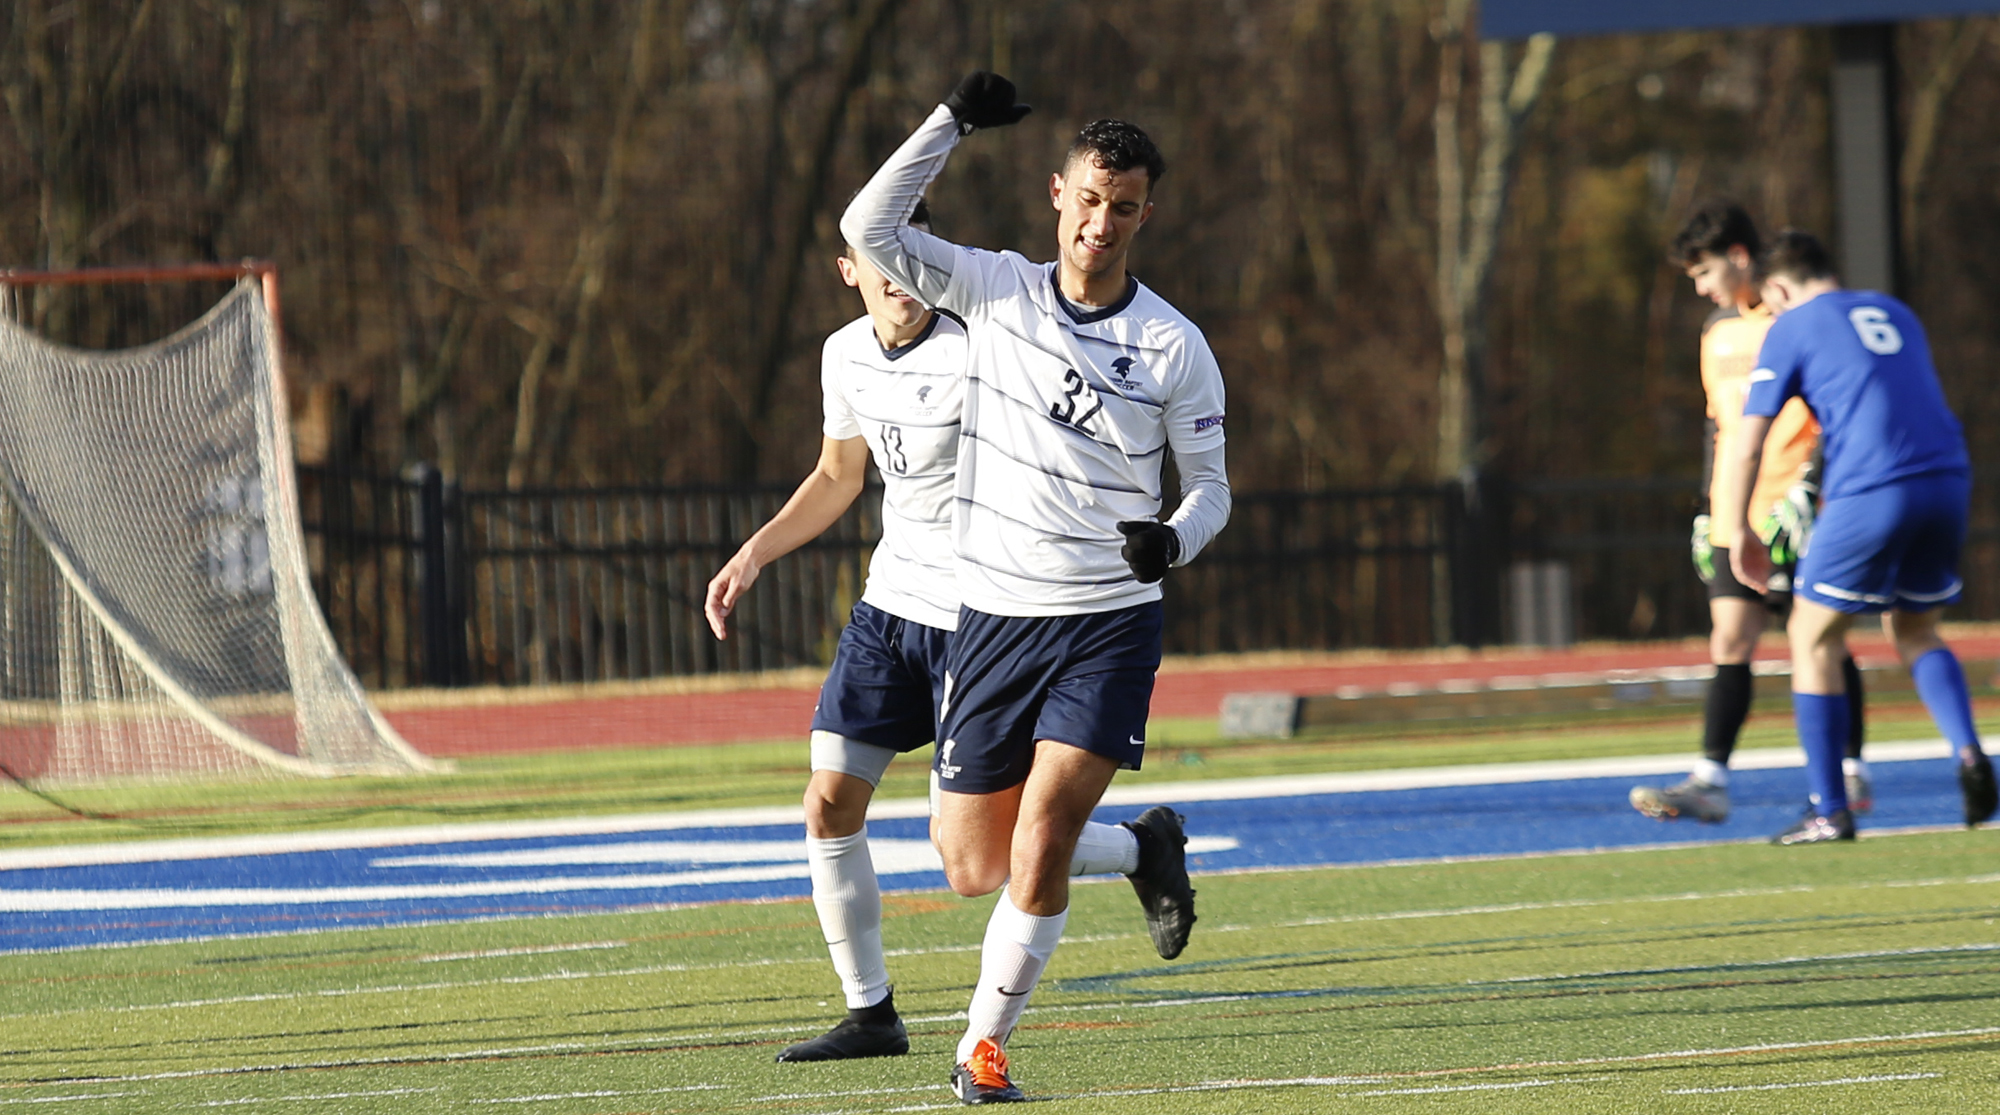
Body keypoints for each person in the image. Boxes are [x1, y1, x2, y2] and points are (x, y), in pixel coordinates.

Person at [704, 200, 1176, 1064]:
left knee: (978, 864)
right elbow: (838, 473)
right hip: (889, 614)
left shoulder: (986, 346)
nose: (898, 276)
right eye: (876, 259)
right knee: (826, 800)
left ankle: (1141, 846)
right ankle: (871, 1012)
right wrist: (755, 554)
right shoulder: (842, 354)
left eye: (910, 257)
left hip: (983, 619)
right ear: (850, 270)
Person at [842, 72, 1230, 1104]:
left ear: (1148, 212)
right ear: (1056, 194)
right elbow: (864, 223)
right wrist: (948, 124)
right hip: (994, 621)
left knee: (1045, 831)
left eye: (1126, 205)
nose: (1103, 222)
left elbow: (1212, 491)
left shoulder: (1172, 346)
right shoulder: (992, 288)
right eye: (1089, 199)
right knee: (974, 863)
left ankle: (981, 1046)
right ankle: (1148, 844)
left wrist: (1171, 542)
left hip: (1107, 624)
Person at [1722, 229, 1997, 844]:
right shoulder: (1895, 311)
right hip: (1948, 477)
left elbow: (1747, 442)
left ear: (1778, 289)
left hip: (1873, 485)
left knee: (1811, 634)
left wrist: (1737, 527)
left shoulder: (1789, 325)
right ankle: (1971, 752)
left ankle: (1829, 809)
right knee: (1917, 628)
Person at [1631, 201, 1870, 825]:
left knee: (1818, 637)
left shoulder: (1797, 320)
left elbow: (1837, 410)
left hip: (1801, 508)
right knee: (1731, 637)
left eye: (1705, 272)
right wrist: (1711, 508)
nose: (1703, 288)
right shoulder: (1716, 332)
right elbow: (1720, 426)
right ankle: (1711, 779)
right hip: (1742, 512)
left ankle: (1850, 769)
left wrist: (1811, 489)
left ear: (1739, 257)